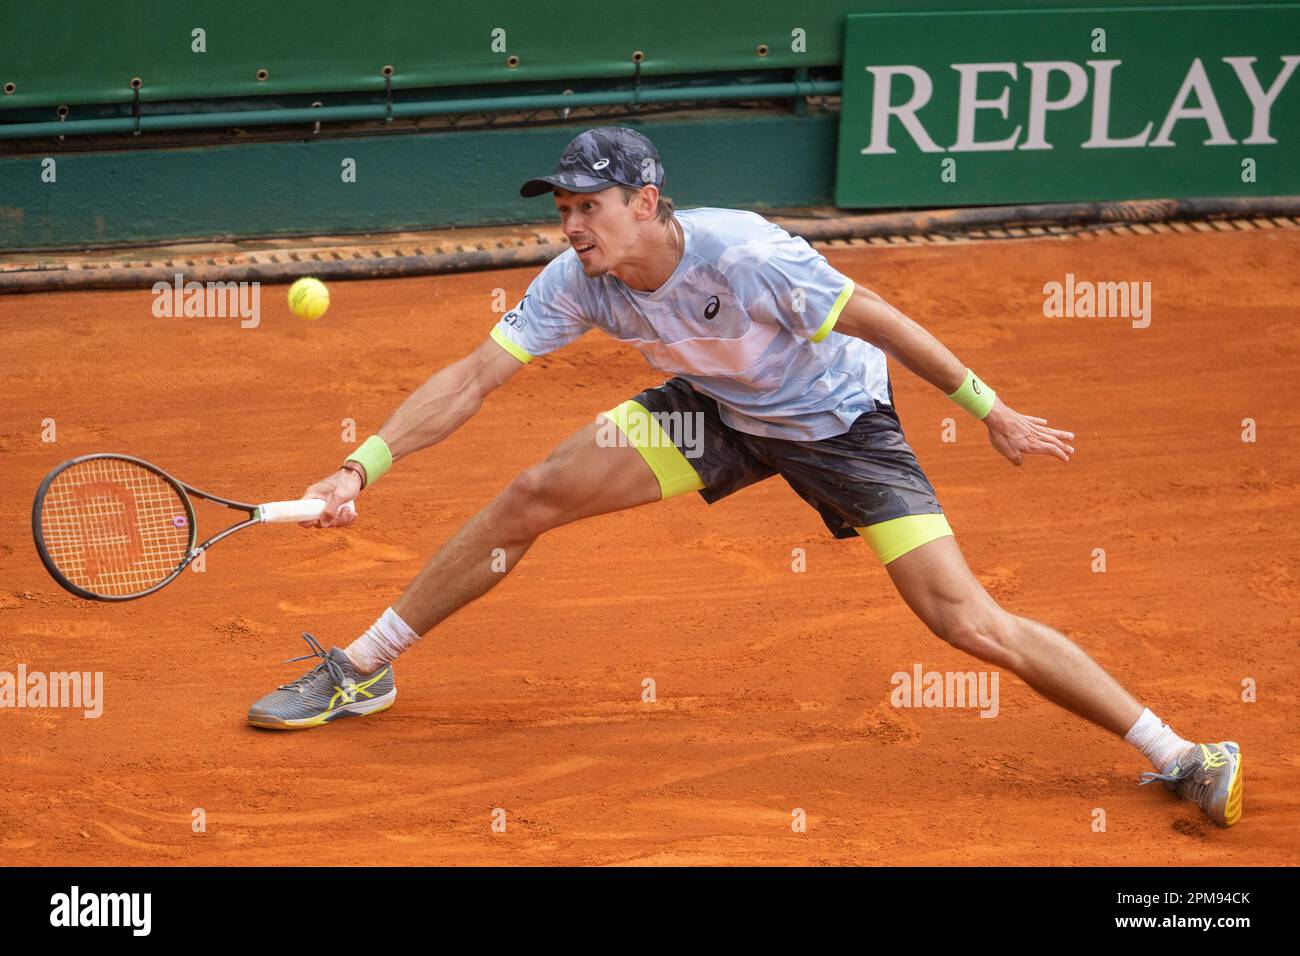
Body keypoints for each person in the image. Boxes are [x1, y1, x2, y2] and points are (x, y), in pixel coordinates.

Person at [247, 127, 1242, 828]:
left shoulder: (749, 254)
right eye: (563, 209)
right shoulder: (578, 280)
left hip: (840, 427)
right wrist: (359, 466)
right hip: (715, 410)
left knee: (964, 622)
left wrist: (993, 411)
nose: (572, 225)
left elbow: (878, 317)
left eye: (589, 207)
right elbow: (474, 376)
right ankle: (363, 665)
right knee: (532, 495)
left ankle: (1181, 754)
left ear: (645, 202)